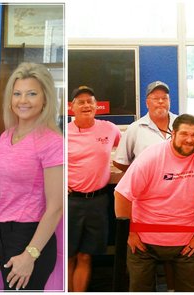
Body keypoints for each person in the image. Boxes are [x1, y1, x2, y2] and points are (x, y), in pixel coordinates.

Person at [115, 114, 194, 292]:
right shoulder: (151, 156)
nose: (189, 140)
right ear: (173, 134)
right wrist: (130, 233)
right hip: (143, 241)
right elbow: (121, 195)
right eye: (184, 134)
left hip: (186, 243)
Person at [0, 62, 64, 291]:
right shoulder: (6, 136)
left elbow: (55, 208)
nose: (23, 100)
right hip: (5, 234)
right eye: (17, 94)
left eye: (32, 94)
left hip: (31, 237)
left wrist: (30, 255)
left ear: (45, 99)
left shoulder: (52, 142)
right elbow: (6, 192)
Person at [67, 86, 121, 292]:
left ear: (96, 105)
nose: (86, 105)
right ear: (72, 107)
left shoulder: (109, 128)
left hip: (98, 201)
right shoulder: (64, 132)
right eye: (80, 102)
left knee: (86, 255)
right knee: (70, 255)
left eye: (90, 101)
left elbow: (121, 150)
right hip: (72, 202)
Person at [114, 81, 177, 171]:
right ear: (147, 103)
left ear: (169, 101)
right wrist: (139, 175)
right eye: (155, 99)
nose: (160, 101)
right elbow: (119, 162)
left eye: (164, 98)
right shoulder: (135, 129)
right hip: (149, 184)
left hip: (178, 183)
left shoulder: (181, 124)